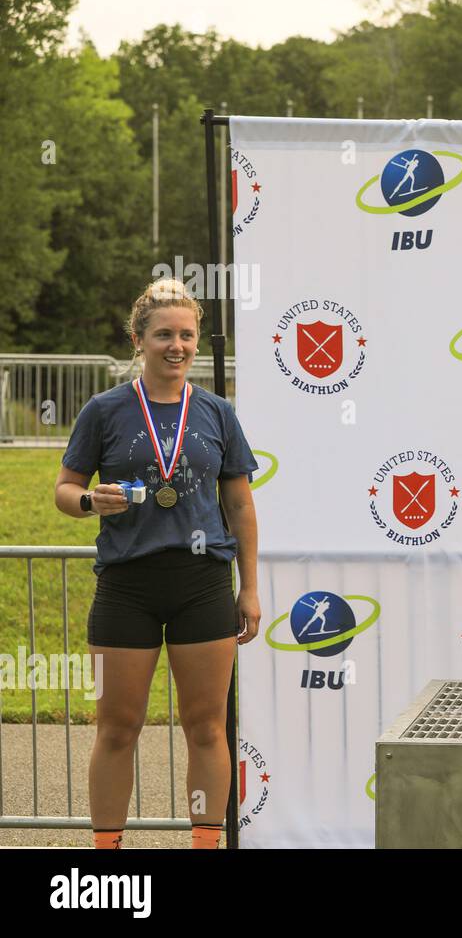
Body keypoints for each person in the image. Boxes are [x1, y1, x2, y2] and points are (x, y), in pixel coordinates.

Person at [54, 278, 260, 848]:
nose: (178, 345)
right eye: (164, 334)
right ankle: (106, 858)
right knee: (117, 730)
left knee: (206, 727)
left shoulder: (219, 412)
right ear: (138, 340)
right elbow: (65, 490)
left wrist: (249, 588)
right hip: (126, 585)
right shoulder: (105, 410)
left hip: (202, 584)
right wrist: (93, 500)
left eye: (187, 335)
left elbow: (239, 504)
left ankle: (203, 844)